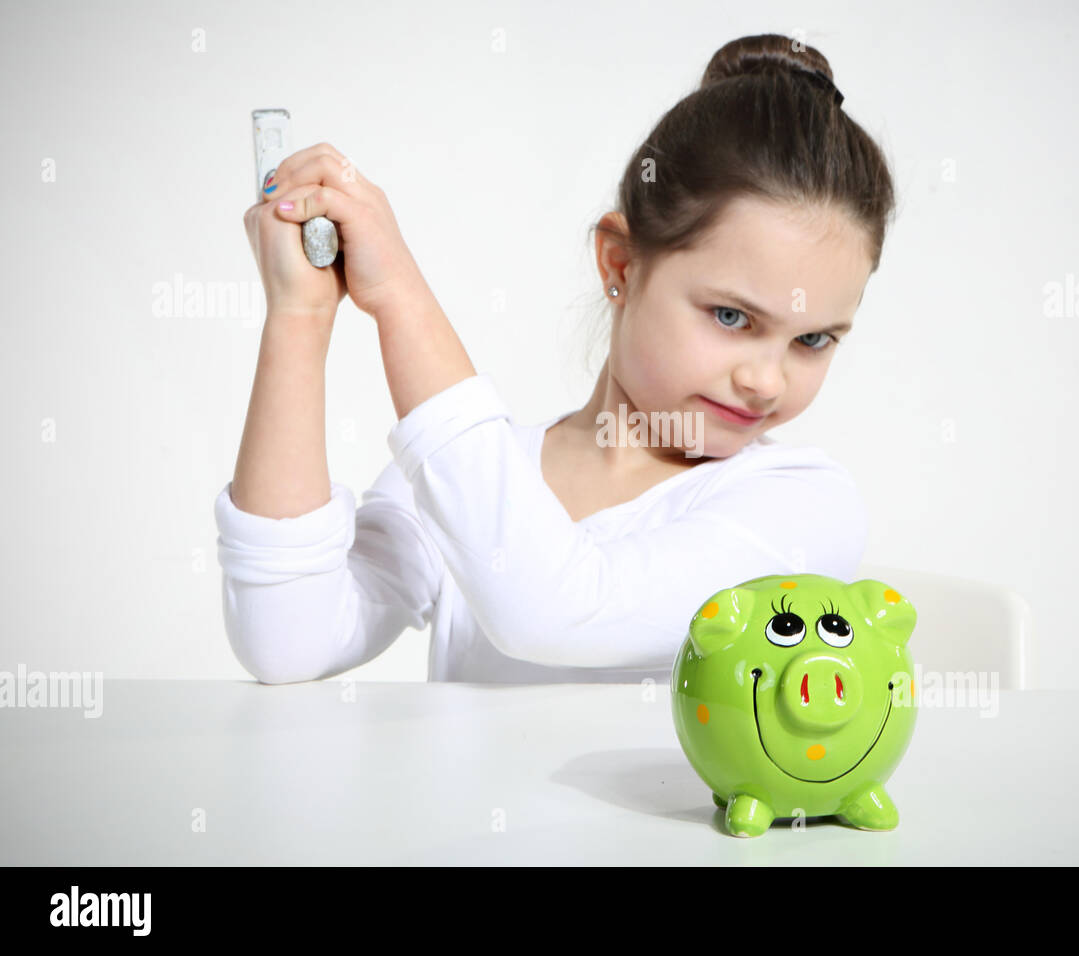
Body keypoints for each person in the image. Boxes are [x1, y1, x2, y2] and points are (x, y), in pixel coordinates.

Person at [215, 33, 896, 684]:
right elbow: (289, 642)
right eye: (731, 317)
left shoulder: (804, 506)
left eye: (813, 339)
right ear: (621, 264)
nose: (765, 380)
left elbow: (554, 612)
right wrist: (299, 318)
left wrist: (399, 295)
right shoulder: (475, 471)